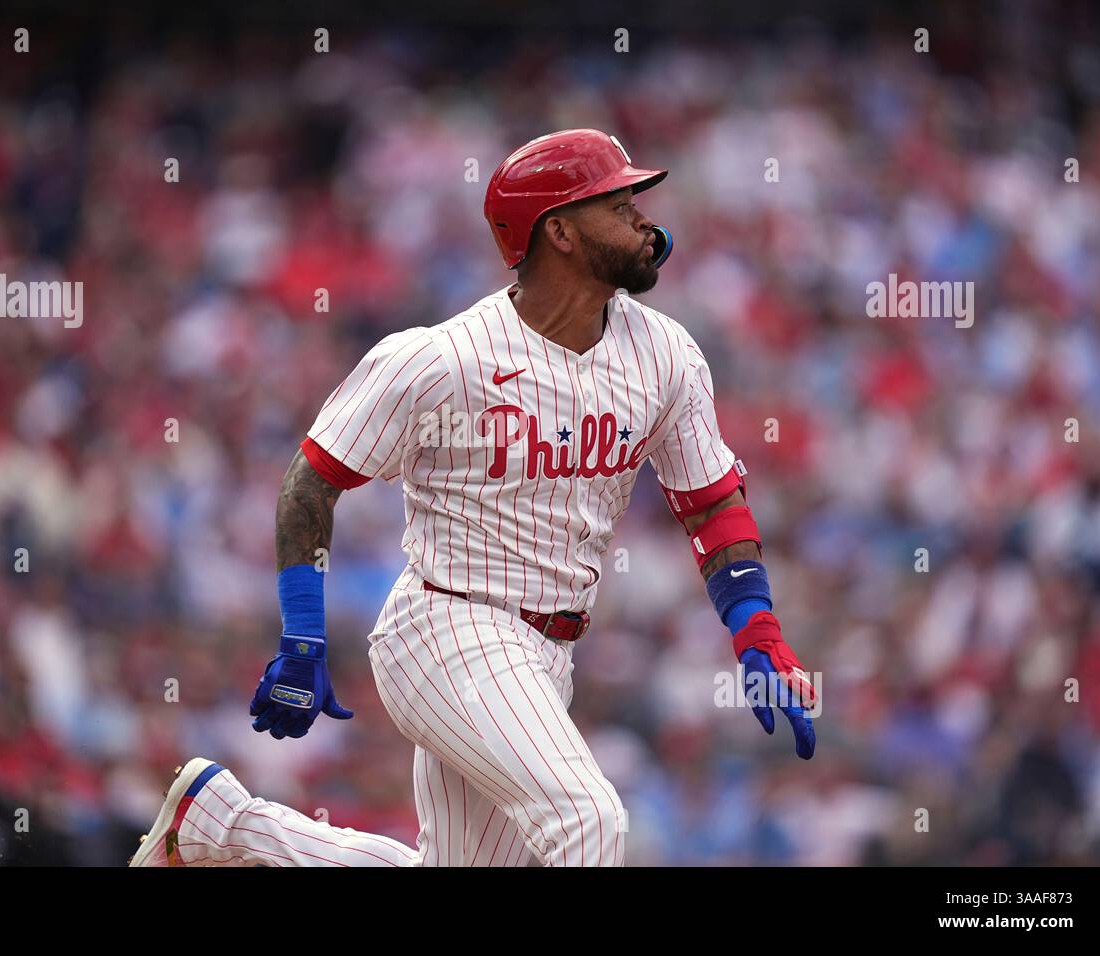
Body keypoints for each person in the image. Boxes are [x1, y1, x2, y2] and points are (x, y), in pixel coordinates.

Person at [130, 128, 817, 868]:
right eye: (619, 206)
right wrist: (302, 635)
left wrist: (758, 632)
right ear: (559, 231)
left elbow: (711, 503)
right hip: (448, 625)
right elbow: (312, 480)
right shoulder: (444, 359)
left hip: (548, 653)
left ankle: (223, 824)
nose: (644, 222)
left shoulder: (666, 353)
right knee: (589, 820)